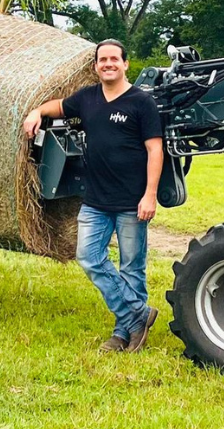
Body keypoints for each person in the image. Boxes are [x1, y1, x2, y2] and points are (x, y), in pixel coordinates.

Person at [23, 39, 163, 353]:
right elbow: (57, 107)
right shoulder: (87, 98)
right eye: (103, 60)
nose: (108, 64)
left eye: (115, 59)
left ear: (126, 64)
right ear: (96, 66)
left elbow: (155, 149)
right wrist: (36, 112)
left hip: (132, 201)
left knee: (131, 268)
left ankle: (122, 334)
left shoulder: (142, 103)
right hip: (96, 201)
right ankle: (138, 314)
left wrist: (149, 195)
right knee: (88, 257)